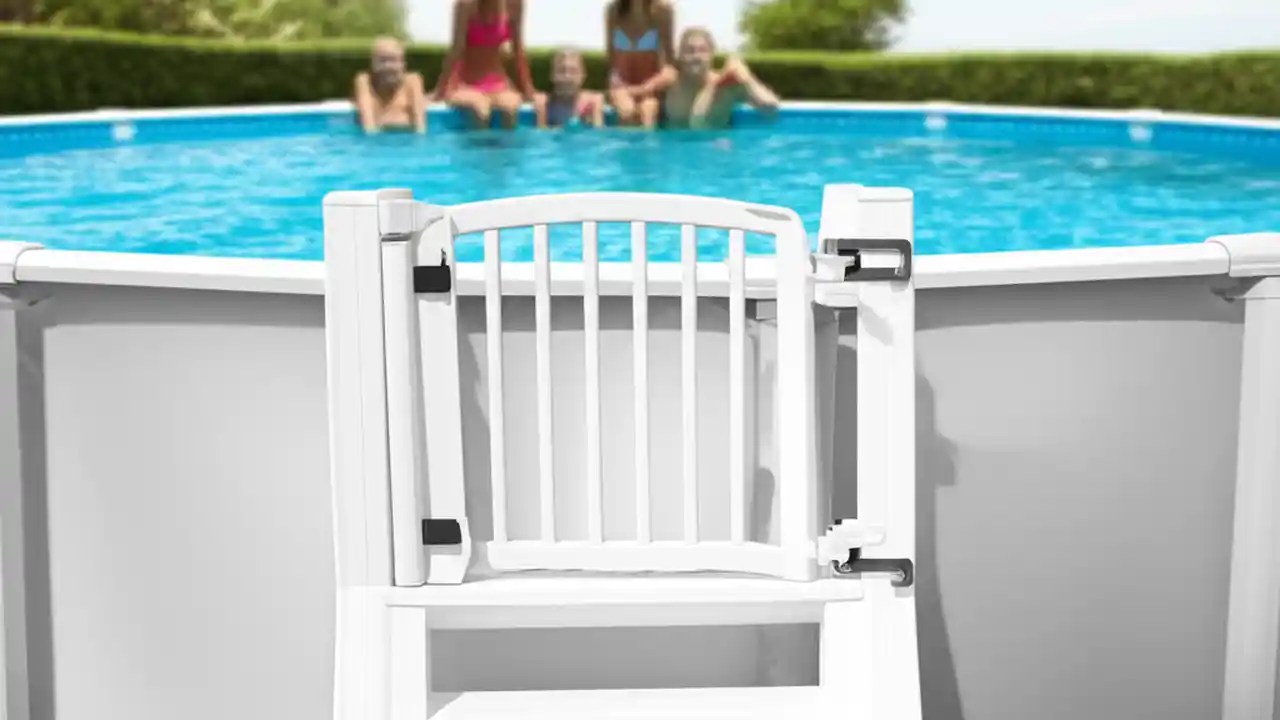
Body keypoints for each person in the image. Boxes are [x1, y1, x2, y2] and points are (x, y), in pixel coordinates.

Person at [639, 27, 779, 130]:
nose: (696, 56)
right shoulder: (669, 84)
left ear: (712, 54)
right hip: (677, 155)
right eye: (689, 51)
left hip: (714, 155)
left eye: (702, 50)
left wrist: (747, 77)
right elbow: (641, 98)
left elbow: (771, 108)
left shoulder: (727, 86)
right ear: (679, 55)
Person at [434, 0, 540, 130]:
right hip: (464, 83)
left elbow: (518, 50)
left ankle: (507, 150)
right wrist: (439, 92)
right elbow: (456, 49)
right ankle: (477, 149)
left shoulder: (514, 4)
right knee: (480, 109)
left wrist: (529, 91)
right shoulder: (466, 5)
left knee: (509, 108)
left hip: (498, 83)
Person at [604, 0, 674, 128]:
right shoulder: (613, 11)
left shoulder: (662, 11)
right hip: (622, 87)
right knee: (626, 111)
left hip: (651, 88)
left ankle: (647, 147)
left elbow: (670, 66)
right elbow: (611, 62)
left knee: (648, 112)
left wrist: (648, 87)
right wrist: (617, 83)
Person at [353, 36, 429, 134]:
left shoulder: (413, 80)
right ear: (373, 64)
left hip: (406, 138)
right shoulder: (364, 81)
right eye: (382, 60)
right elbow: (368, 124)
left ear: (403, 63)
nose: (388, 66)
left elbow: (420, 126)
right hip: (376, 139)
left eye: (393, 60)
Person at [544, 49, 605, 129]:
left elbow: (599, 134)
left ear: (583, 75)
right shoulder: (546, 103)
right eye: (561, 71)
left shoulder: (592, 103)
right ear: (552, 75)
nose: (567, 76)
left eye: (573, 71)